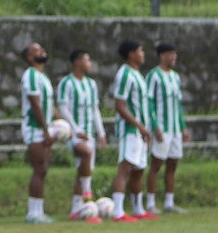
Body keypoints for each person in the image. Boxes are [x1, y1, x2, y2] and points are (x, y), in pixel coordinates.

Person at [55, 49, 106, 220]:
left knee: (83, 169)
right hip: (74, 134)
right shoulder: (67, 83)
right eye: (87, 60)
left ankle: (76, 209)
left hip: (89, 134)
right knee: (86, 152)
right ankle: (87, 195)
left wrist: (101, 132)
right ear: (77, 62)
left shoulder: (91, 84)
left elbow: (95, 110)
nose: (89, 64)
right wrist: (76, 130)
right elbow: (64, 109)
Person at [144, 42, 192, 214]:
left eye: (175, 54)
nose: (173, 57)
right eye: (170, 54)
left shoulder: (175, 77)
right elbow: (149, 102)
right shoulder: (154, 76)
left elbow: (177, 104)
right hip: (162, 128)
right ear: (162, 56)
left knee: (173, 164)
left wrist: (183, 127)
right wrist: (155, 126)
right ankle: (150, 203)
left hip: (175, 128)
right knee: (156, 164)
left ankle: (169, 203)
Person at [109, 40, 153, 222]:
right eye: (140, 51)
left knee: (138, 170)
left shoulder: (137, 75)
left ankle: (138, 209)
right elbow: (120, 106)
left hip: (140, 131)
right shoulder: (125, 75)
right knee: (125, 168)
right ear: (131, 54)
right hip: (130, 130)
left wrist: (146, 128)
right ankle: (118, 212)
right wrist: (139, 126)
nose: (143, 54)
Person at [19, 42, 58, 224]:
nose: (42, 51)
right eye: (36, 50)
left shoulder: (43, 77)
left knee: (43, 169)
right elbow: (35, 104)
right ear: (29, 57)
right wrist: (45, 130)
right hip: (35, 128)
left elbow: (48, 105)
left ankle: (39, 212)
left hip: (44, 128)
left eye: (42, 48)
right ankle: (33, 213)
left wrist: (59, 122)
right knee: (39, 168)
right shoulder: (31, 75)